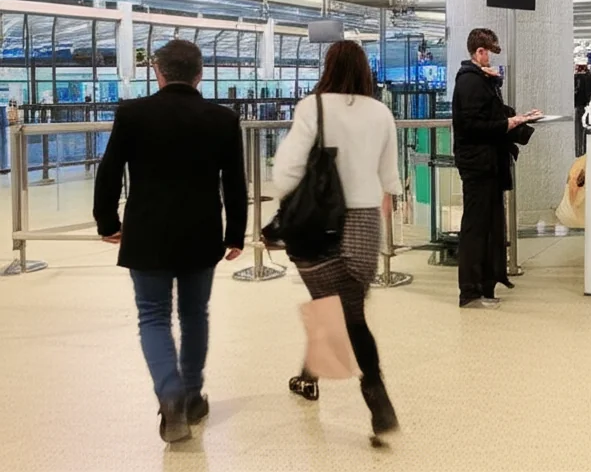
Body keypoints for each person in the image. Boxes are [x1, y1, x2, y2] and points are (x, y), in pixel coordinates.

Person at [92, 40, 247, 443]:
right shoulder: (222, 119)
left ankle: (170, 392)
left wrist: (107, 222)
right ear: (200, 74)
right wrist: (235, 235)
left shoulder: (132, 114)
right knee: (195, 314)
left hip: (146, 233)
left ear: (158, 72)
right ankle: (193, 396)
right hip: (202, 233)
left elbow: (108, 173)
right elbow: (234, 184)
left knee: (153, 316)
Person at [272, 41, 402, 438]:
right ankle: (309, 376)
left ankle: (376, 392)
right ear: (365, 71)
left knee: (344, 312)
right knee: (342, 305)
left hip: (319, 223)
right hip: (365, 223)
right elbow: (390, 178)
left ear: (328, 67)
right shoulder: (381, 112)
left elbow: (286, 171)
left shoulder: (313, 106)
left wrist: (291, 203)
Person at [451, 28, 539, 309]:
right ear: (480, 51)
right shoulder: (469, 82)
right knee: (476, 227)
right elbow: (472, 125)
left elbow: (490, 113)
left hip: (487, 164)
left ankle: (485, 285)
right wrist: (509, 124)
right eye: (490, 52)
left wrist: (517, 117)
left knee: (489, 225)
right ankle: (470, 292)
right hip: (478, 165)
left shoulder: (482, 81)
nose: (492, 59)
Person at [574, 64, 591, 156]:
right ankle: (587, 153)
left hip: (579, 107)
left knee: (579, 132)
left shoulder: (575, 79)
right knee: (590, 132)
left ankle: (579, 154)